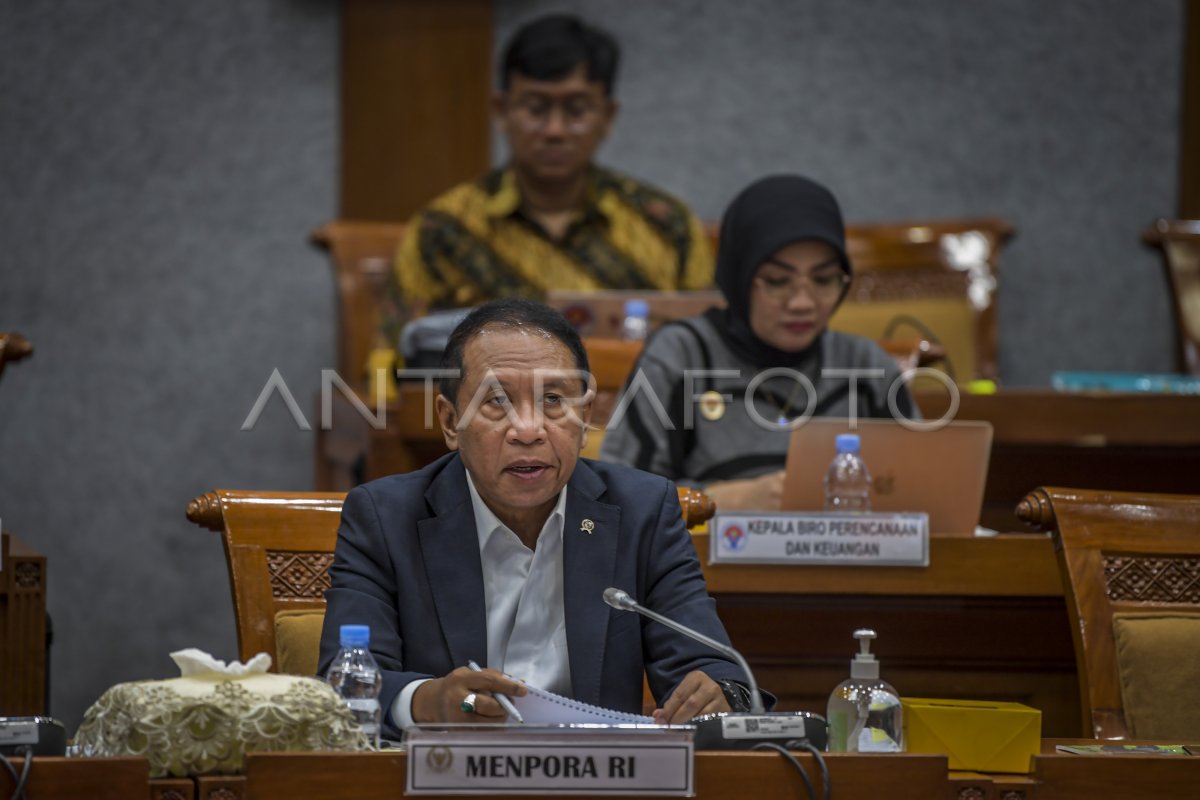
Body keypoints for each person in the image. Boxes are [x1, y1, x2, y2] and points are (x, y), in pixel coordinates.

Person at [320, 299, 759, 738]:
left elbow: (713, 668)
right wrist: (427, 701)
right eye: (497, 401)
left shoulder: (643, 512)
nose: (528, 430)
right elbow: (344, 687)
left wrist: (719, 693)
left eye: (553, 400)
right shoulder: (384, 518)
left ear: (585, 418)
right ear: (451, 422)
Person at [370, 14, 714, 371]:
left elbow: (709, 356)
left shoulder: (664, 224)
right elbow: (389, 365)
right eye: (536, 109)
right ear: (502, 111)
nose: (554, 130)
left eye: (576, 110)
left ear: (608, 116)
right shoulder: (444, 229)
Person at [598, 175, 920, 510]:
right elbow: (618, 499)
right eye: (778, 281)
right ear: (739, 275)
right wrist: (724, 501)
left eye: (824, 280)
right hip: (710, 560)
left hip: (852, 560)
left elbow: (927, 486)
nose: (802, 303)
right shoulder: (682, 354)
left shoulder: (863, 362)